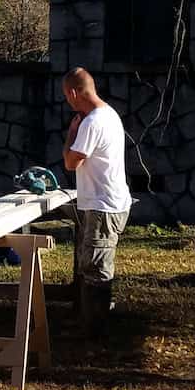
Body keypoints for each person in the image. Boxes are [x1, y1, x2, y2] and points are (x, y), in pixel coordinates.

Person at [61, 68, 131, 337]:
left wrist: (71, 133)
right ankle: (87, 320)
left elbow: (70, 162)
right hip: (110, 201)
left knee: (96, 269)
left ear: (74, 93)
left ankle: (95, 331)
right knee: (91, 263)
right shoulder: (110, 114)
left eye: (67, 96)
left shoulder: (91, 123)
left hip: (103, 206)